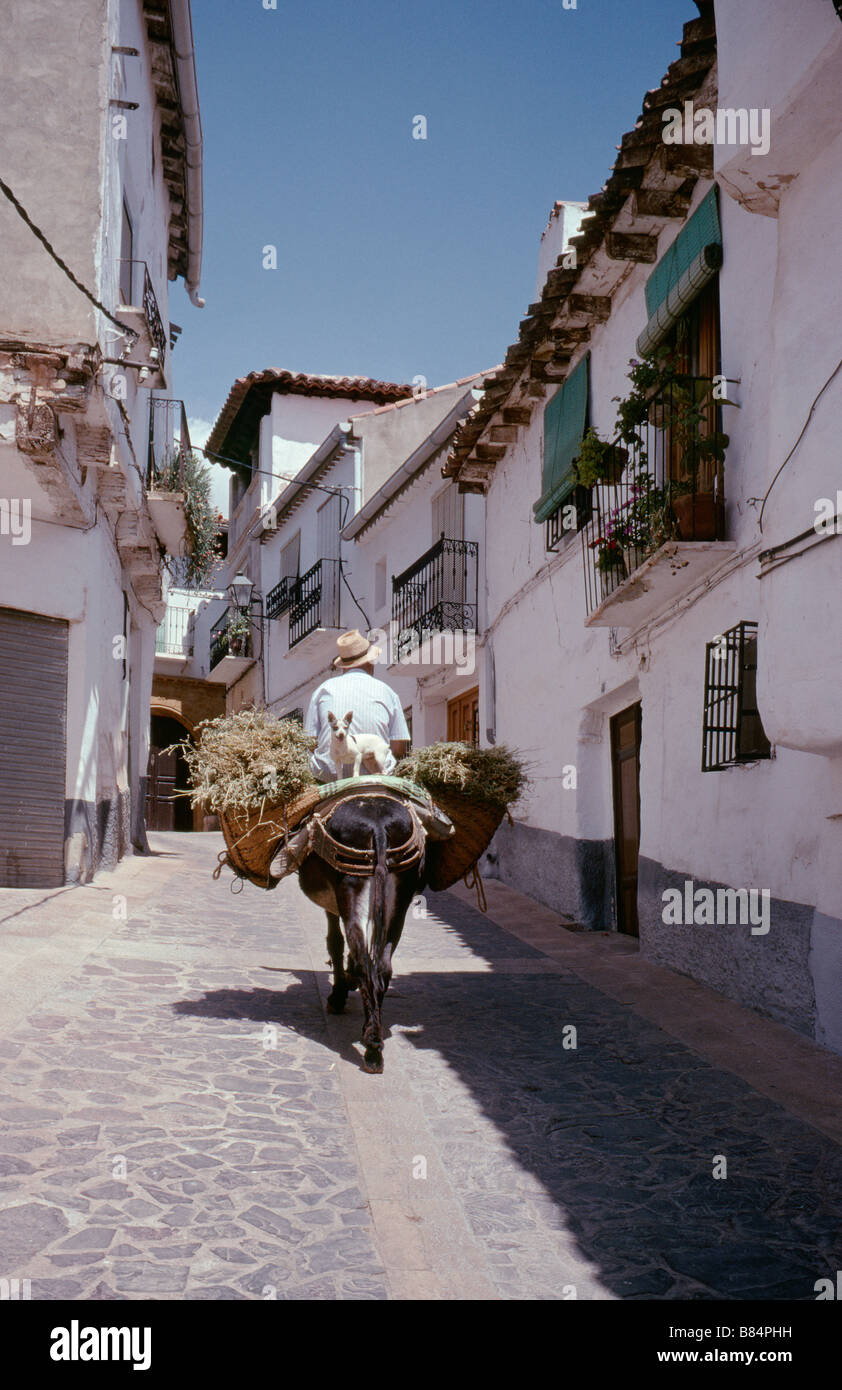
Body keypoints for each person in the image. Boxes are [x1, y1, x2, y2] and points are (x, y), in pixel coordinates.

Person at [305, 629, 410, 783]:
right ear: (370, 661)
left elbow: (311, 743)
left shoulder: (323, 690)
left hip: (329, 776)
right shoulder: (387, 692)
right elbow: (399, 748)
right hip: (378, 778)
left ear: (343, 666)